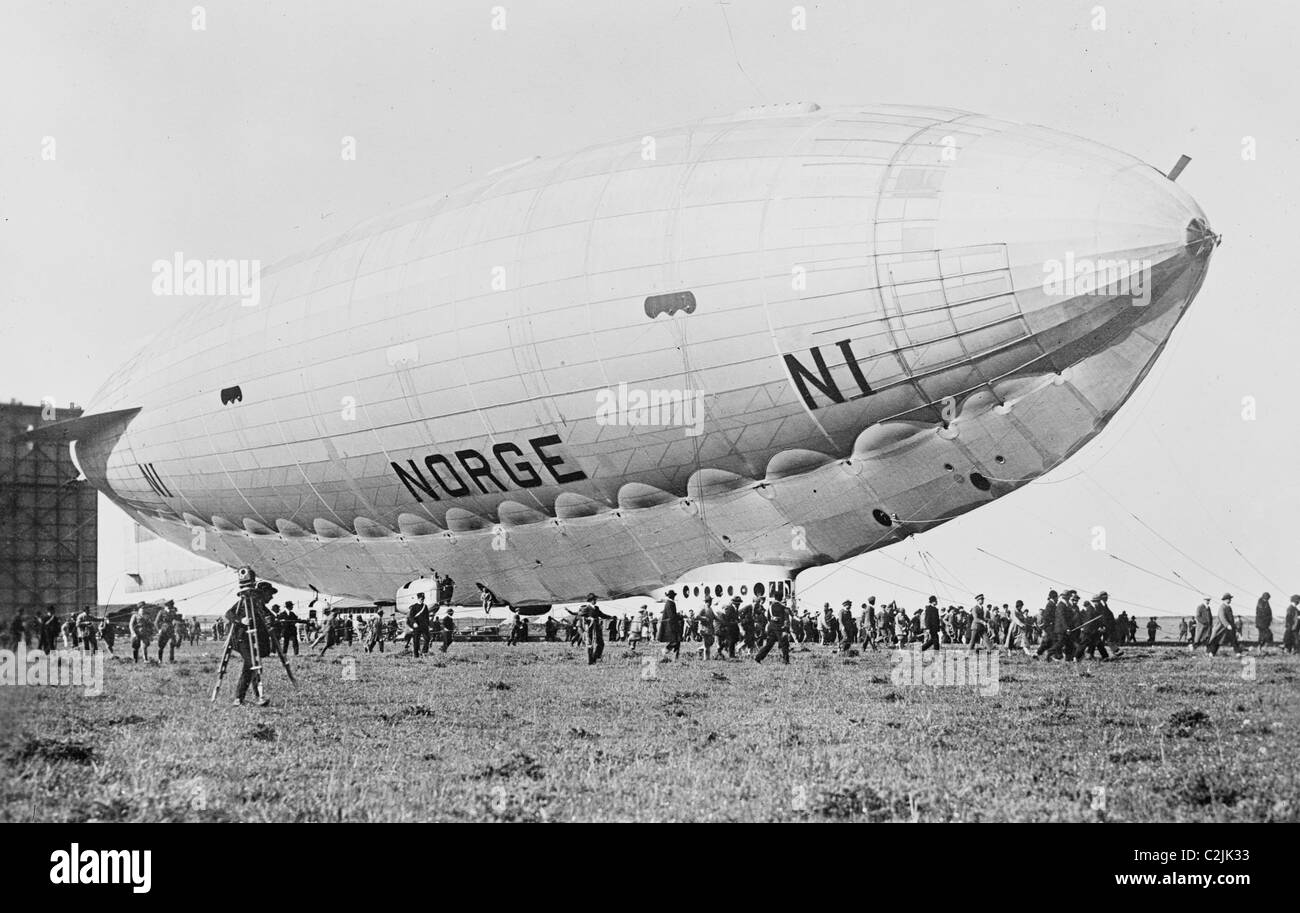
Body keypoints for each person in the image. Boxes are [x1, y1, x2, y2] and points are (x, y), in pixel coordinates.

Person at [224, 577, 274, 707]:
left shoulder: (260, 605)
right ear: (263, 592)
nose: (271, 597)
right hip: (242, 639)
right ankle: (253, 697)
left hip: (253, 640)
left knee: (251, 666)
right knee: (252, 664)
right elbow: (229, 614)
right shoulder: (246, 602)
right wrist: (241, 620)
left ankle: (242, 698)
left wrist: (271, 620)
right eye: (270, 593)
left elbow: (271, 617)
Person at [565, 594, 614, 664]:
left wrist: (610, 617)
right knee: (589, 644)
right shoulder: (586, 608)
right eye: (594, 600)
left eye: (595, 600)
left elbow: (602, 615)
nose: (595, 601)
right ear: (590, 601)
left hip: (597, 628)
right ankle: (590, 660)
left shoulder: (597, 608)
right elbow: (579, 614)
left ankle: (596, 657)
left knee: (601, 643)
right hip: (589, 628)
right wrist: (588, 618)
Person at [755, 596, 793, 664]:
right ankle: (786, 660)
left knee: (769, 644)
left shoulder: (770, 607)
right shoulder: (782, 607)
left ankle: (758, 657)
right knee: (784, 644)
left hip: (771, 627)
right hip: (779, 628)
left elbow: (769, 618)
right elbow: (785, 619)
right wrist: (785, 629)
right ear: (781, 599)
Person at [405, 593, 430, 657]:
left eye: (423, 599)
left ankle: (424, 651)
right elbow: (411, 617)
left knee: (427, 639)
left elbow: (427, 617)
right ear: (418, 598)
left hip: (424, 626)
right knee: (416, 641)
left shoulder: (425, 606)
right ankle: (416, 655)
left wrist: (428, 625)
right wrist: (414, 623)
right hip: (417, 626)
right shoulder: (414, 607)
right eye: (421, 599)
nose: (422, 600)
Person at [659, 590, 681, 661]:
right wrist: (679, 616)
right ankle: (665, 651)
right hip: (671, 625)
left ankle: (675, 657)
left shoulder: (669, 603)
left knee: (676, 641)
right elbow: (672, 616)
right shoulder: (670, 603)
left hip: (670, 624)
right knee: (675, 641)